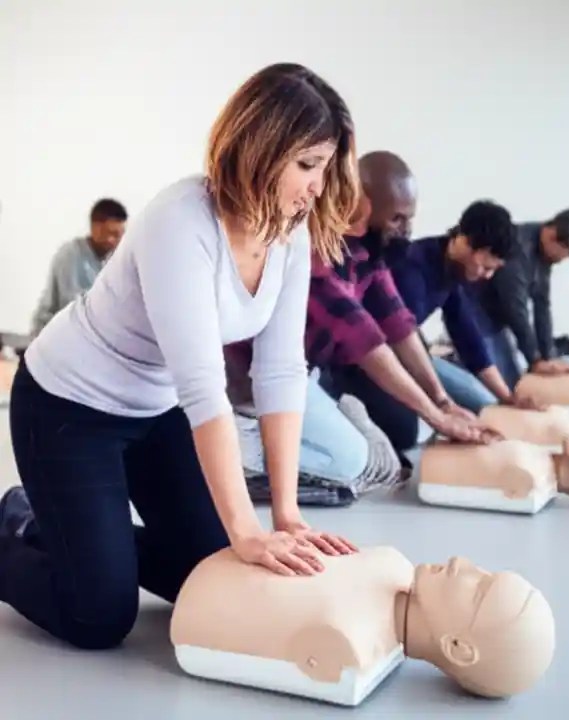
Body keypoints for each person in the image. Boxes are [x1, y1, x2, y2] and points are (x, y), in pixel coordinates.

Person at [0, 63, 361, 652]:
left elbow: (280, 371)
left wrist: (286, 514)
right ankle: (14, 528)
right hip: (69, 408)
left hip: (157, 411)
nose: (318, 187)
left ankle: (84, 539)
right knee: (99, 615)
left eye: (325, 166)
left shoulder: (290, 231)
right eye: (307, 165)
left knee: (213, 575)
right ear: (260, 147)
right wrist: (246, 528)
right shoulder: (180, 221)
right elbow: (203, 387)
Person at [305, 151, 492, 454]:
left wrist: (443, 402)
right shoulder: (322, 254)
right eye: (396, 218)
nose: (404, 230)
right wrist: (437, 418)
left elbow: (399, 325)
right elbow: (365, 340)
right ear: (361, 206)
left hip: (327, 363)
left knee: (402, 431)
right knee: (349, 460)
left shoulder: (372, 252)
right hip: (284, 377)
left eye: (409, 219)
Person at [388, 199, 539, 413]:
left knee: (485, 403)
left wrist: (507, 397)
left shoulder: (452, 270)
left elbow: (468, 338)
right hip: (378, 359)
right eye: (486, 267)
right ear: (468, 242)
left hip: (409, 352)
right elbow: (399, 340)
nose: (487, 276)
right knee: (407, 429)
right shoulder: (413, 266)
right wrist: (442, 402)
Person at [473, 206, 569, 387]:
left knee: (515, 380)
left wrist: (549, 356)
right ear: (553, 236)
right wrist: (535, 360)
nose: (567, 258)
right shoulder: (517, 249)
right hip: (477, 317)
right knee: (503, 386)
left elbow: (542, 305)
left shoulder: (544, 254)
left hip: (498, 322)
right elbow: (515, 309)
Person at [29, 198, 127, 337]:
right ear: (95, 227)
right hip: (54, 335)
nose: (112, 240)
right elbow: (71, 307)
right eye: (109, 233)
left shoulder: (115, 260)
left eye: (118, 235)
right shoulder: (70, 254)